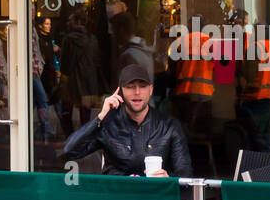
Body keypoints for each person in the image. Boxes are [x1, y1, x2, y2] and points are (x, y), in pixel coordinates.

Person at [62, 63, 192, 177]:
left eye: (142, 86)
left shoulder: (169, 126)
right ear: (120, 91)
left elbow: (185, 175)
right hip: (116, 199)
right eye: (130, 86)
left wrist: (167, 179)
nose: (137, 92)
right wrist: (101, 117)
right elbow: (70, 151)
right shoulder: (109, 123)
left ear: (151, 90)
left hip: (153, 199)